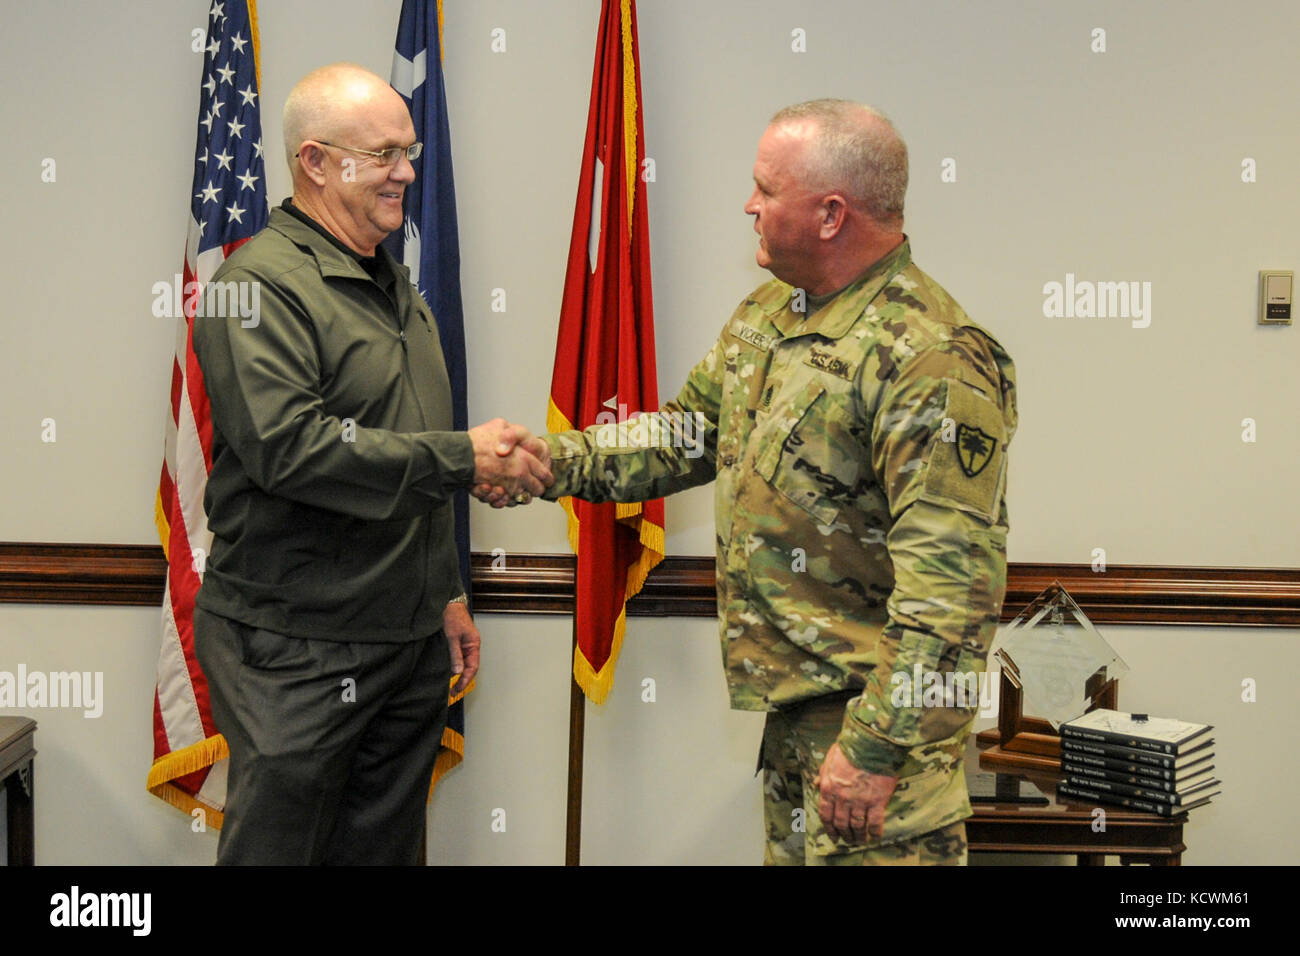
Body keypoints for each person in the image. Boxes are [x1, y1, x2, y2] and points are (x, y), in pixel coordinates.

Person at [489, 99, 1018, 865]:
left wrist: (873, 748)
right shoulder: (770, 314)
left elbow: (954, 591)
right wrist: (546, 461)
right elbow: (682, 435)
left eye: (766, 189)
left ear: (831, 214)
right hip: (792, 722)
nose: (750, 205)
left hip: (877, 744)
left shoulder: (931, 355)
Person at [191, 63, 552, 865]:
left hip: (404, 635)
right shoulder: (249, 289)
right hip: (294, 648)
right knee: (282, 852)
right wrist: (464, 456)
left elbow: (394, 450)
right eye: (384, 153)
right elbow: (292, 450)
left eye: (410, 150)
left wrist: (442, 591)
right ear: (316, 162)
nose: (408, 172)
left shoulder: (393, 285)